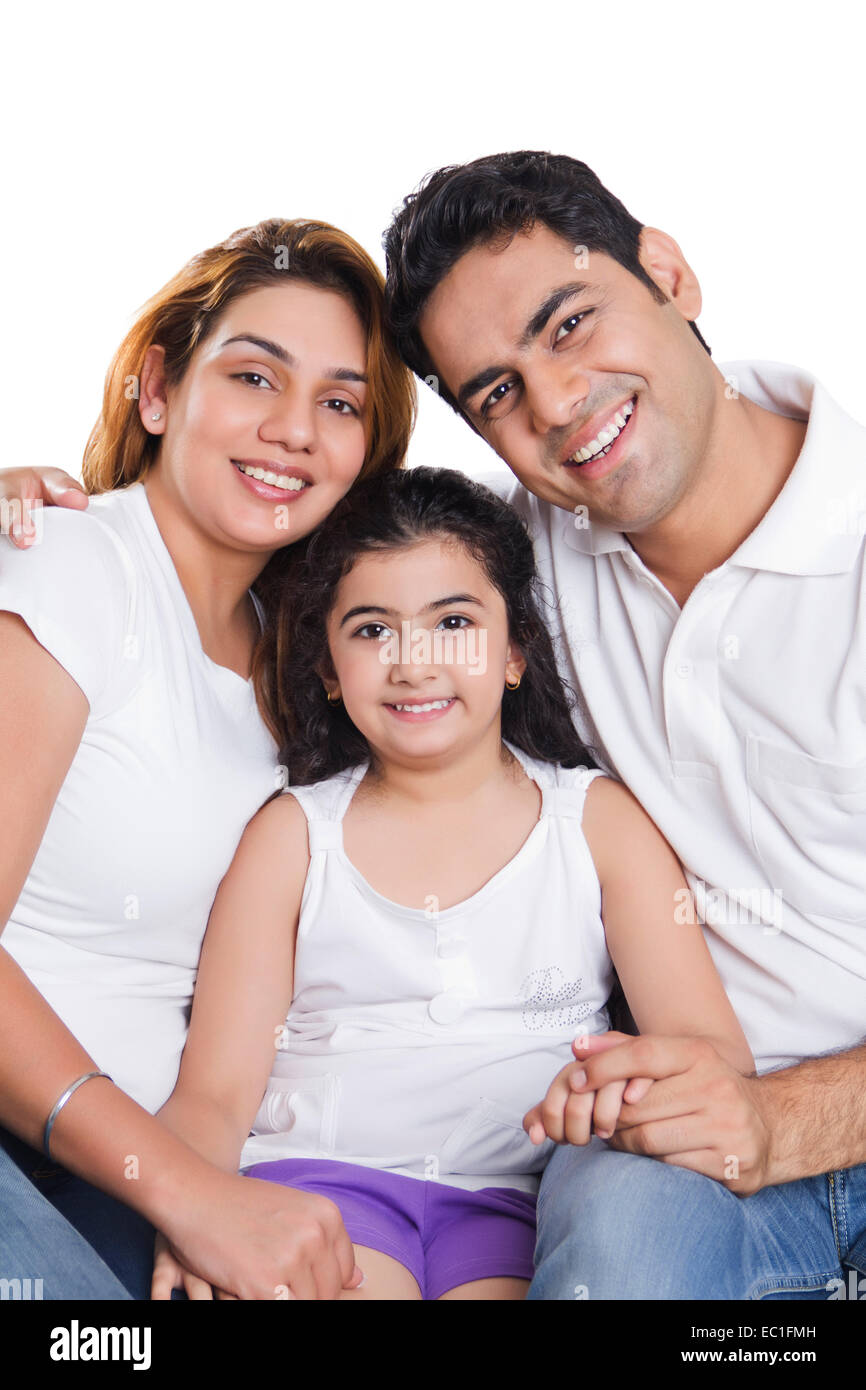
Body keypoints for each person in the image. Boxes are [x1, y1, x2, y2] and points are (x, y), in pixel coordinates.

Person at [378, 149, 866, 1299]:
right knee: (609, 1227)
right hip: (687, 1145)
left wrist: (782, 1120)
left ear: (668, 272)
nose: (552, 405)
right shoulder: (519, 572)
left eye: (567, 323)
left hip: (787, 1117)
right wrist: (71, 513)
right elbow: (299, 598)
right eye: (494, 391)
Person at [145, 465, 752, 1301]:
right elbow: (214, 1092)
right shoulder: (292, 836)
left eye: (454, 622)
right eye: (370, 631)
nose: (412, 663)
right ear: (327, 668)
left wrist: (622, 1084)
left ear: (513, 654)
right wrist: (192, 1213)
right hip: (315, 1187)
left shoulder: (598, 822)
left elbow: (711, 1052)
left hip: (521, 1205)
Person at [0, 215, 415, 1299]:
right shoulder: (70, 568)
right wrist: (185, 1191)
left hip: (123, 1173)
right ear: (155, 391)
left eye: (338, 402)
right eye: (252, 376)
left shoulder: (309, 664)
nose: (291, 430)